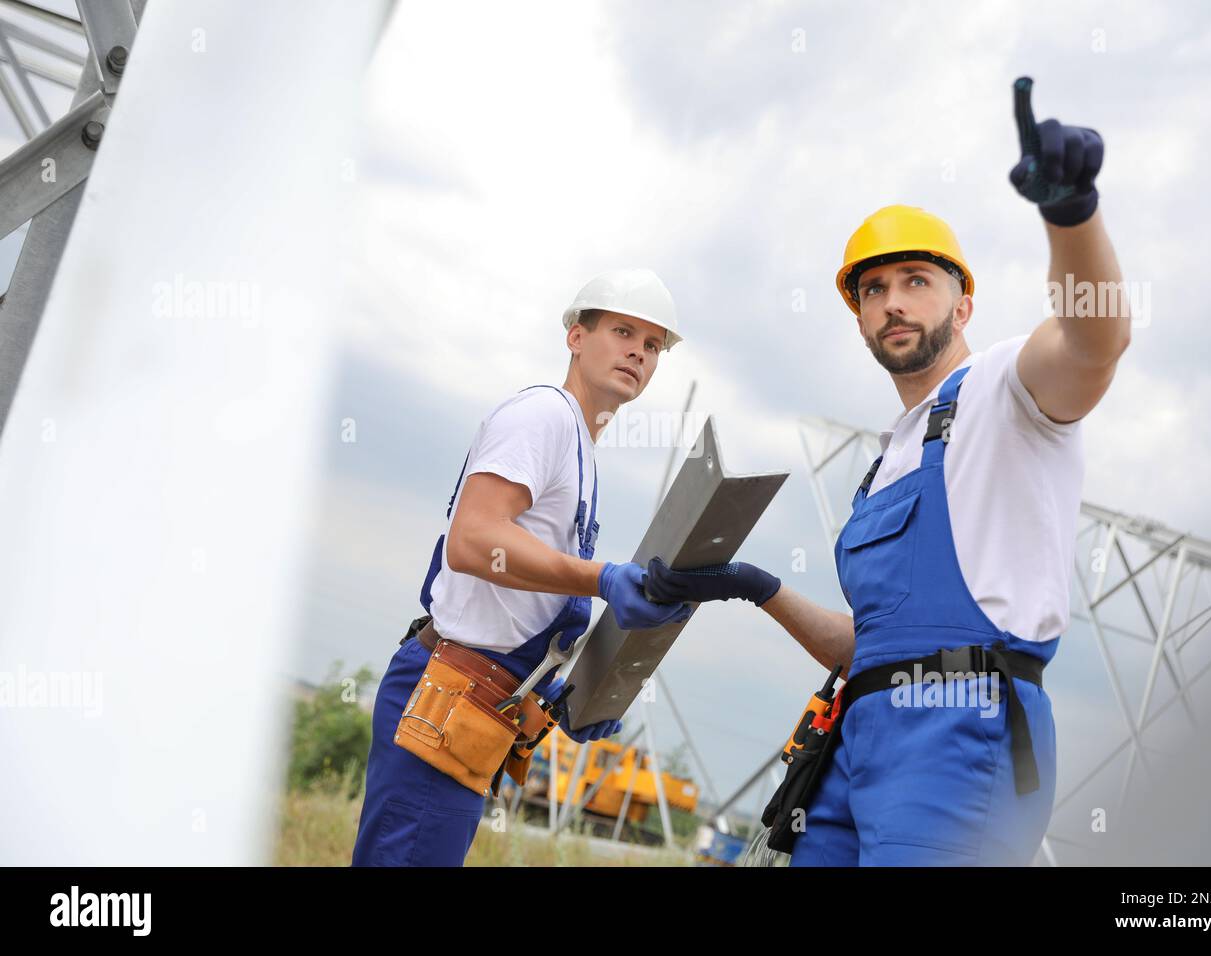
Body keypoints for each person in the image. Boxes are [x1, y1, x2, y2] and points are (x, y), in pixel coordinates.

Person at [647, 79, 1129, 865]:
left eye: (916, 282)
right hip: (858, 742)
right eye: (874, 290)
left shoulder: (1007, 392)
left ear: (962, 304)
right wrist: (757, 586)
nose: (892, 303)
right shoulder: (885, 461)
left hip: (962, 738)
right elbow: (871, 649)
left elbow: (1093, 342)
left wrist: (1071, 212)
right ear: (860, 316)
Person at [353, 269, 692, 866]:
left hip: (480, 700)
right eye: (622, 330)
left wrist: (558, 691)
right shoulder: (545, 416)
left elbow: (515, 597)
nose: (639, 350)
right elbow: (475, 540)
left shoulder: (581, 444)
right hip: (448, 693)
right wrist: (603, 577)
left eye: (654, 344)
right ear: (575, 337)